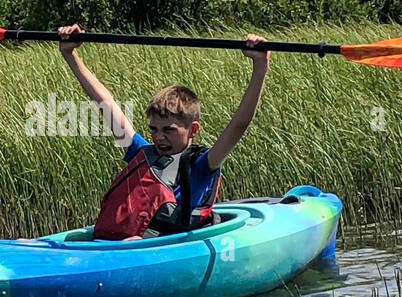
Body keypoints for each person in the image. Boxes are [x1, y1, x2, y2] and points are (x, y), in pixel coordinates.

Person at [58, 23, 270, 240]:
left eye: (169, 130)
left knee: (135, 241)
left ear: (193, 129)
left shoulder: (203, 165)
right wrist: (70, 55)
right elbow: (105, 103)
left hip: (158, 245)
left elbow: (239, 124)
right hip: (119, 243)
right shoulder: (141, 152)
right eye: (154, 129)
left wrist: (260, 66)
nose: (159, 137)